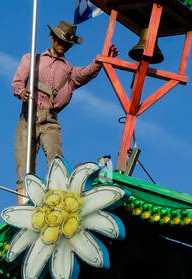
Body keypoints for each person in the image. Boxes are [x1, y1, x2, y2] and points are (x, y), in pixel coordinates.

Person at [11, 21, 117, 195]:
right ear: (52, 39)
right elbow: (17, 83)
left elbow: (86, 73)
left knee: (56, 160)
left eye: (67, 44)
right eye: (60, 41)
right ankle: (24, 205)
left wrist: (102, 60)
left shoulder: (69, 72)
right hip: (28, 117)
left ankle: (56, 196)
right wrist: (21, 92)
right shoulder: (32, 59)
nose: (63, 46)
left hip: (50, 120)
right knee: (24, 164)